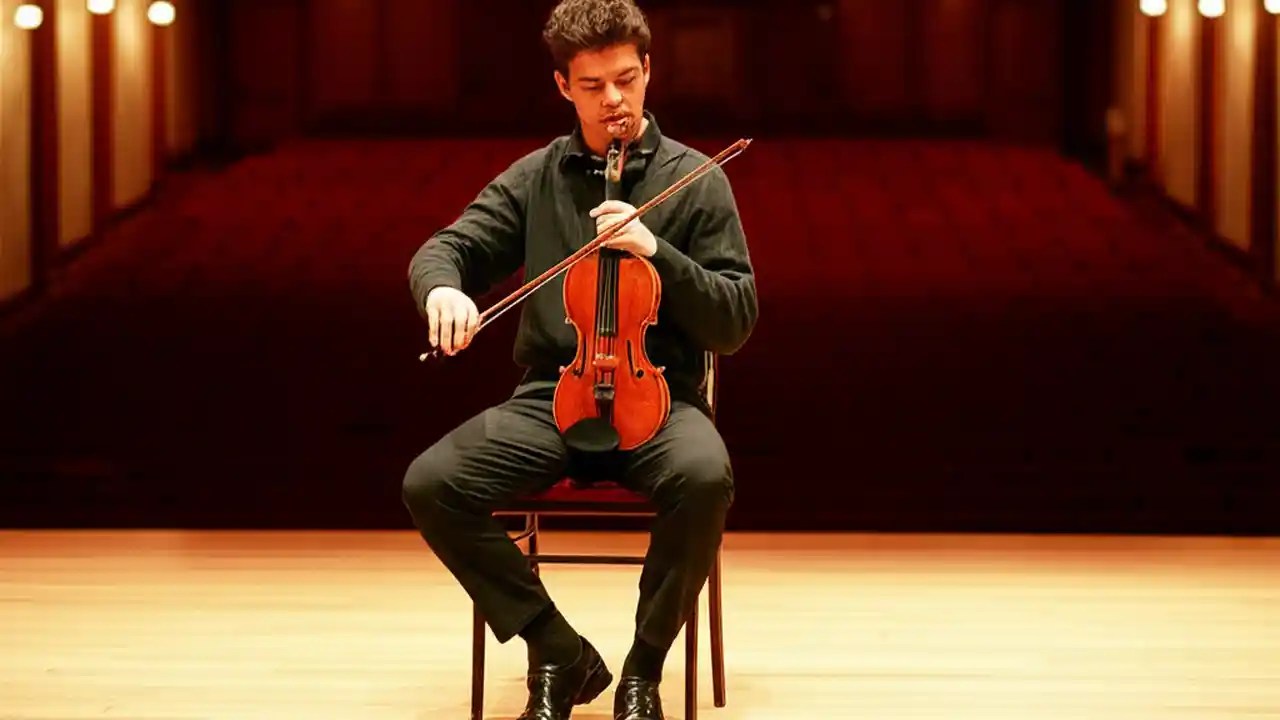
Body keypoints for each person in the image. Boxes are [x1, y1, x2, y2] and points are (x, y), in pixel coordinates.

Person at [401, 1, 757, 717]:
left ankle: (643, 671)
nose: (615, 100)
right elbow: (448, 247)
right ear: (564, 86)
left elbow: (735, 318)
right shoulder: (536, 178)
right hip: (553, 396)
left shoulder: (699, 181)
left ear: (649, 68)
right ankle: (556, 649)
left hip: (662, 399)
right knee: (432, 483)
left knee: (703, 475)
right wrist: (442, 289)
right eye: (594, 86)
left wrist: (656, 251)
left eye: (627, 79)